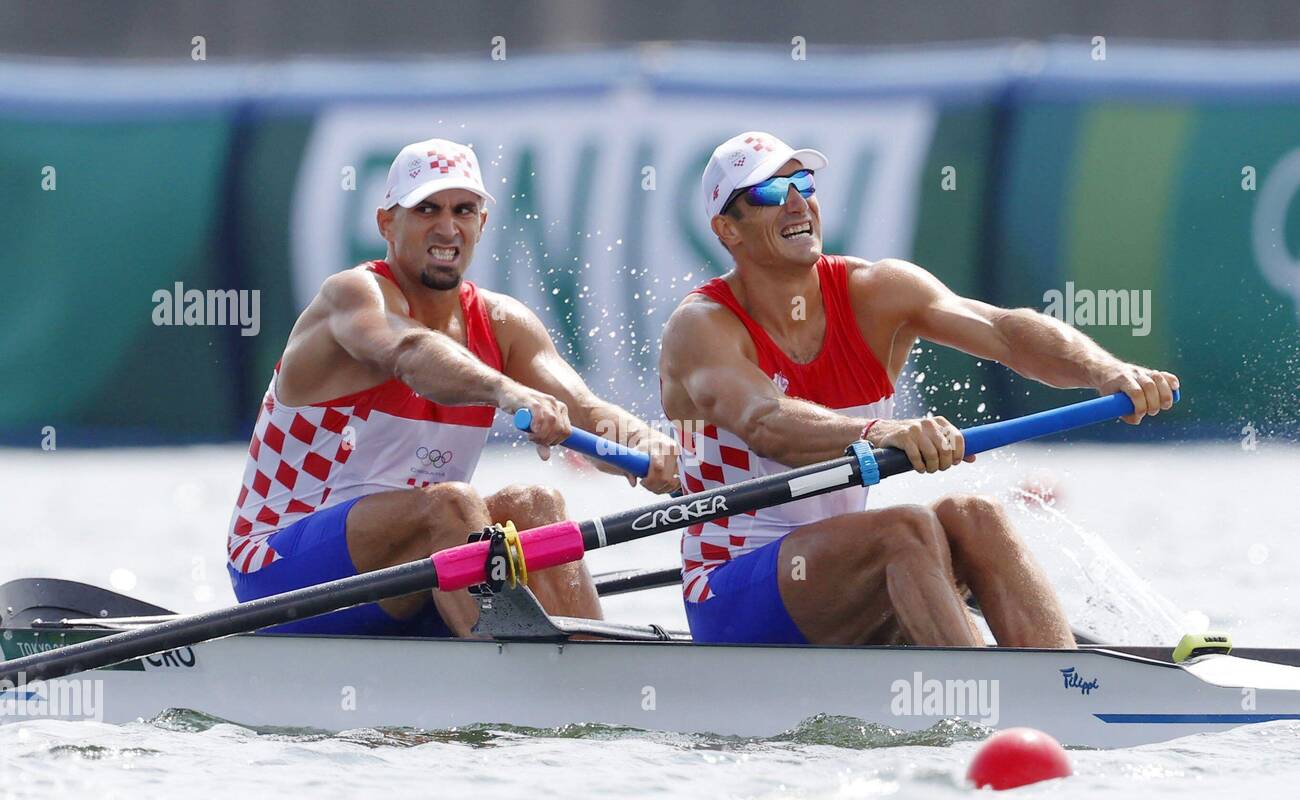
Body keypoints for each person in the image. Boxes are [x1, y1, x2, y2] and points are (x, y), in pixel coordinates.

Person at [659, 131, 1178, 648]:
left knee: (975, 516)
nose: (796, 202)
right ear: (727, 228)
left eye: (804, 183)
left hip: (836, 580)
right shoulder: (702, 327)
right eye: (771, 192)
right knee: (903, 529)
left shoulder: (877, 292)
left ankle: (1062, 675)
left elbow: (1003, 331)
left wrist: (1105, 370)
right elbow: (765, 422)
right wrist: (880, 432)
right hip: (730, 591)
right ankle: (976, 686)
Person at [227, 137, 678, 636]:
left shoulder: (504, 324)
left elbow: (586, 411)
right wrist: (508, 392)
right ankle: (503, 655)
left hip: (405, 570)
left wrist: (649, 445)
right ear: (386, 223)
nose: (447, 228)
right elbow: (410, 354)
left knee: (536, 504)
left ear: (482, 223)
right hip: (277, 569)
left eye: (463, 210)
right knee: (451, 506)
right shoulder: (353, 296)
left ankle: (588, 663)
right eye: (426, 209)